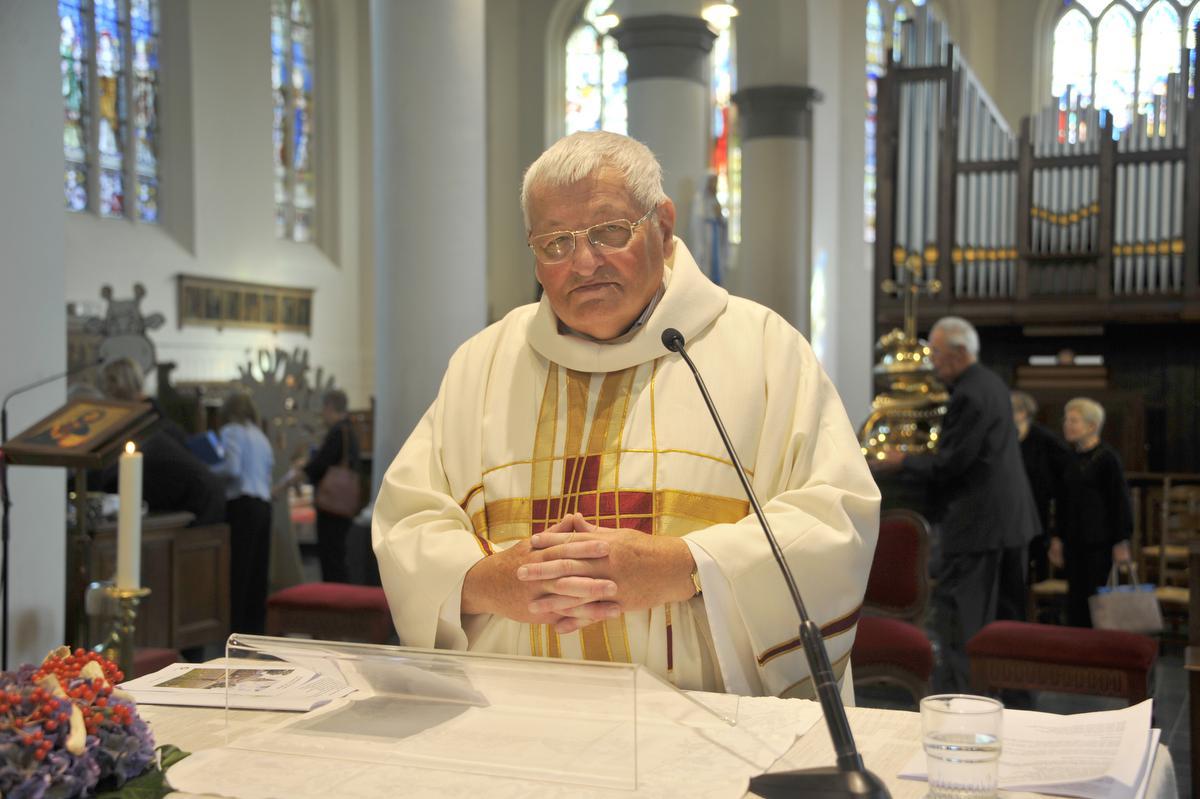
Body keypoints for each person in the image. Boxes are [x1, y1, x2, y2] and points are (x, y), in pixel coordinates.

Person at [372, 131, 879, 697]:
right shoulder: (483, 363)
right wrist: (483, 581)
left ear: (663, 225)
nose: (584, 262)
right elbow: (408, 521)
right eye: (555, 243)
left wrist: (686, 565)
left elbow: (836, 519)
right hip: (512, 722)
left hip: (703, 724)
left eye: (609, 232)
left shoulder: (763, 351)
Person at [872, 317, 1038, 692]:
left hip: (980, 523)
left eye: (936, 353)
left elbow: (952, 462)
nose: (931, 362)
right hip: (1009, 521)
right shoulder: (992, 383)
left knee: (965, 619)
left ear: (960, 352)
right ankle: (1010, 694)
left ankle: (965, 699)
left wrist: (903, 461)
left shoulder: (969, 394)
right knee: (1004, 617)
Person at [95, 358, 225, 526]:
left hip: (194, 502)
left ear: (115, 391)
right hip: (204, 496)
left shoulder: (141, 423)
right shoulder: (155, 417)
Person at [1051, 397, 1133, 627]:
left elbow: (1120, 503)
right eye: (1066, 420)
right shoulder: (1069, 459)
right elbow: (1062, 502)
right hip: (1073, 541)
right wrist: (1057, 537)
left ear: (1092, 426)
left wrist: (1121, 542)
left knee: (1097, 601)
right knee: (1075, 601)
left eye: (1074, 420)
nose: (1067, 425)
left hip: (1101, 542)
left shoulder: (1108, 458)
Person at [210, 391, 275, 635]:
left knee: (238, 572)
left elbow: (232, 469)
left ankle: (235, 630)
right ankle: (255, 631)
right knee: (257, 574)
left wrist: (205, 470)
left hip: (242, 505)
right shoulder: (261, 436)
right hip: (264, 506)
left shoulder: (232, 431)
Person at [1011, 390, 1070, 587]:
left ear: (1022, 413)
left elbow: (1066, 469)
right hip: (1009, 509)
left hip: (1037, 508)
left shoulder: (1044, 438)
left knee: (1035, 561)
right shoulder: (1003, 438)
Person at [302, 389, 361, 584]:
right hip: (345, 504)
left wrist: (304, 470)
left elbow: (320, 463)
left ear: (329, 407)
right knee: (338, 554)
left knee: (330, 556)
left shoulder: (338, 431)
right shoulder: (350, 430)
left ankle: (334, 602)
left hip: (332, 505)